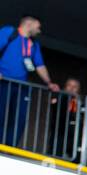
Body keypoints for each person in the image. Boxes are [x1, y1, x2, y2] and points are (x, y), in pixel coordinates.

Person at [0, 16, 60, 148]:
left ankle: (9, 150)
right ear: (29, 23)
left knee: (18, 120)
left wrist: (49, 83)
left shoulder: (34, 45)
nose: (39, 31)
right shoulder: (9, 32)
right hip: (3, 83)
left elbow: (39, 65)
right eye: (38, 27)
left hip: (22, 88)